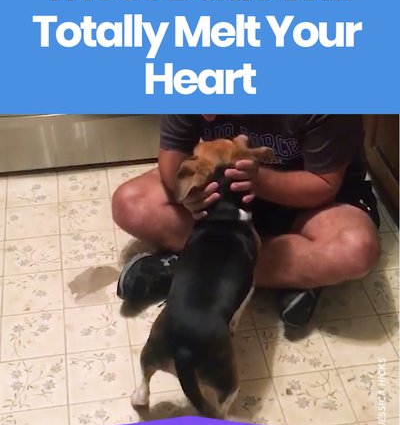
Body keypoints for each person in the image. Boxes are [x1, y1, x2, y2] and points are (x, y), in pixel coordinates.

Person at [112, 115, 380, 333]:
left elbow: (323, 185)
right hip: (231, 198)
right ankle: (294, 276)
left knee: (355, 250)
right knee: (131, 204)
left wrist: (261, 181)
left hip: (312, 201)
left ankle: (187, 270)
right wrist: (186, 194)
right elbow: (173, 150)